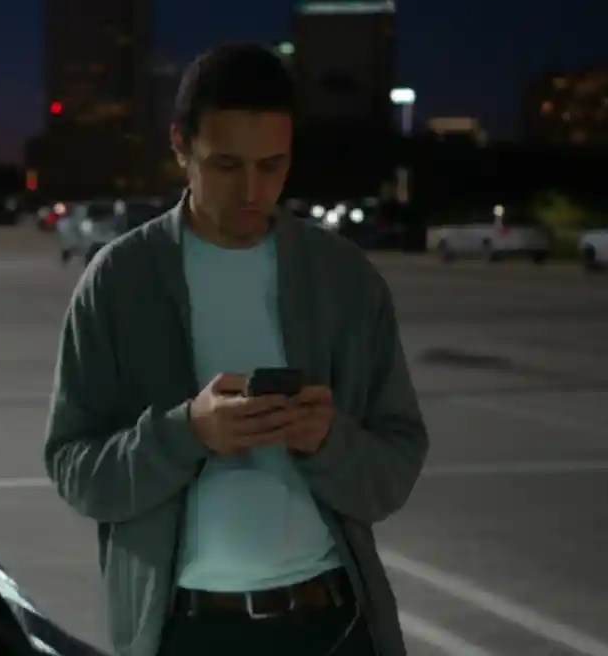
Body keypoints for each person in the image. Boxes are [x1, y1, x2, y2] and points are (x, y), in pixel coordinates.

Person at [43, 43, 428, 656]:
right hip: (188, 633)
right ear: (179, 147)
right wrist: (186, 434)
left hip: (332, 627)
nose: (252, 191)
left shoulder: (344, 279)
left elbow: (396, 469)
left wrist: (328, 440)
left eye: (272, 166)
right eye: (225, 165)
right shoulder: (120, 281)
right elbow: (75, 470)